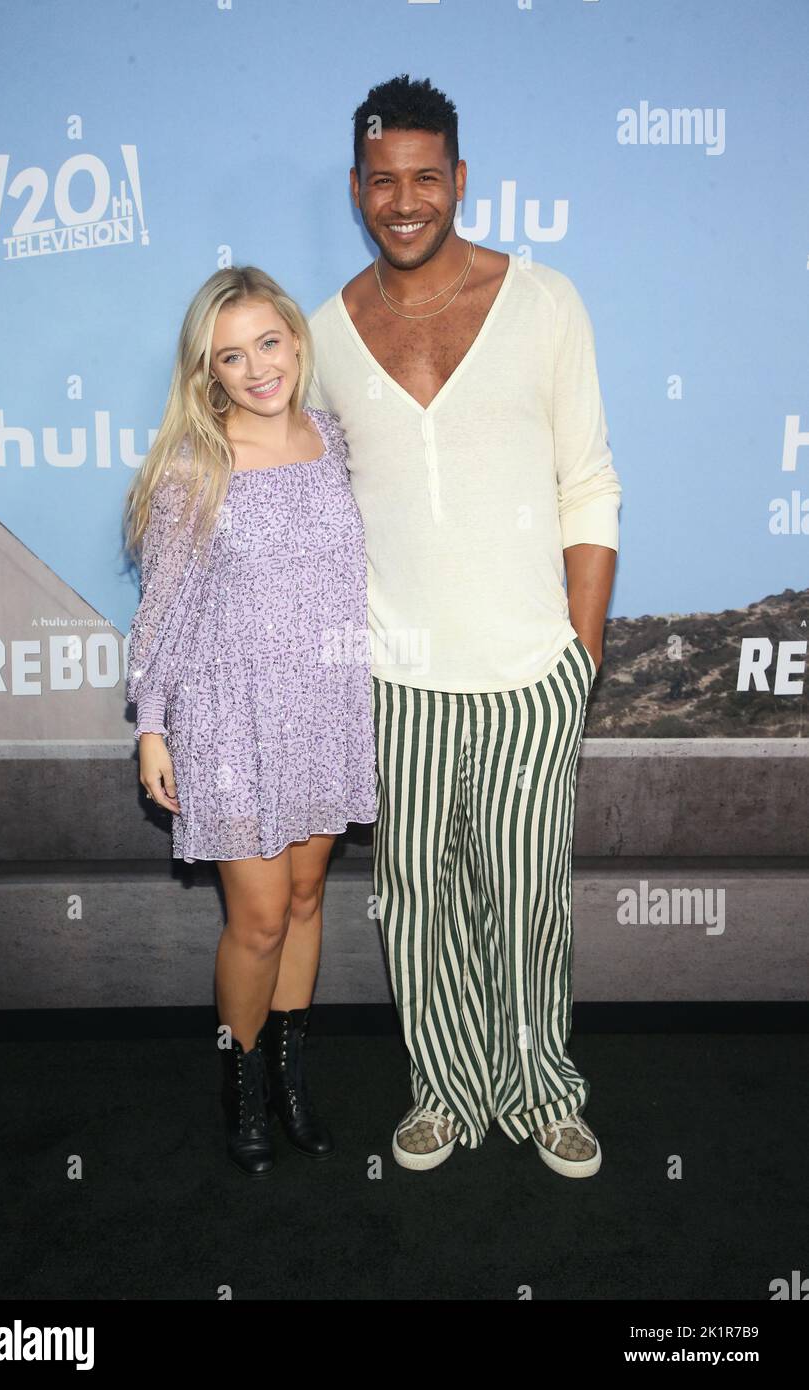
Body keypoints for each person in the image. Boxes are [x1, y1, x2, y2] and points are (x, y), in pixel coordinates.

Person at [305, 75, 621, 1176]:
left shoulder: (544, 302)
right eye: (382, 181)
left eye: (424, 178)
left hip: (533, 671)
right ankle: (444, 1088)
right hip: (395, 682)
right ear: (355, 189)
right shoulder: (319, 337)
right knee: (415, 909)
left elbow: (587, 483)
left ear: (459, 181)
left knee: (529, 901)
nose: (404, 201)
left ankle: (543, 1089)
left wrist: (579, 654)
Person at [122, 266, 377, 1178]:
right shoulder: (198, 466)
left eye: (268, 342)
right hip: (230, 718)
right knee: (260, 920)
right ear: (210, 373)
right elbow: (164, 609)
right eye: (232, 356)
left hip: (326, 708)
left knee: (309, 900)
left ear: (297, 343)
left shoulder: (336, 440)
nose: (257, 366)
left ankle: (290, 1079)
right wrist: (153, 723)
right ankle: (238, 1084)